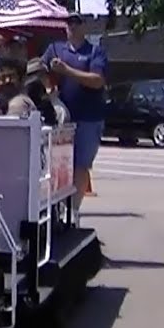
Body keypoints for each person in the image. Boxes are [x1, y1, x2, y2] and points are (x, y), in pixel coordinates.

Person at [41, 13, 108, 213]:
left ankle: (73, 210)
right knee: (58, 164)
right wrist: (49, 88)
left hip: (89, 118)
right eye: (69, 23)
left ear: (84, 27)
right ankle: (58, 208)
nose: (71, 26)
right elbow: (38, 68)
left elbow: (97, 80)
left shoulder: (95, 51)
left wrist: (67, 71)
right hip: (62, 119)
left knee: (81, 165)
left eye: (76, 23)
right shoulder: (55, 49)